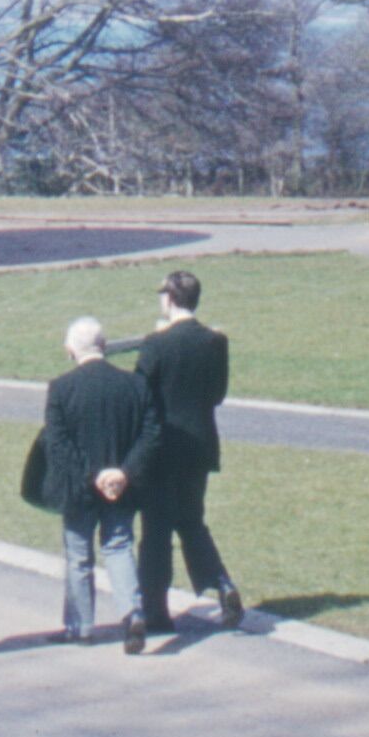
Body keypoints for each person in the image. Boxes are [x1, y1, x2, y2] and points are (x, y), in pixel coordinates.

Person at [135, 269, 244, 632]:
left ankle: (156, 611)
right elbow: (217, 395)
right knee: (191, 521)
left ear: (169, 299)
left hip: (163, 446)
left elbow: (141, 397)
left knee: (156, 532)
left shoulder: (155, 343)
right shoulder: (215, 341)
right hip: (199, 445)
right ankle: (222, 583)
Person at [44, 316, 161, 653]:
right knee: (119, 545)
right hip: (122, 485)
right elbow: (151, 434)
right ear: (105, 346)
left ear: (70, 350)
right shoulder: (135, 386)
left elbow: (58, 444)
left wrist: (91, 476)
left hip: (80, 488)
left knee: (79, 555)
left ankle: (80, 627)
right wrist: (123, 472)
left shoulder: (61, 388)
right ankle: (132, 611)